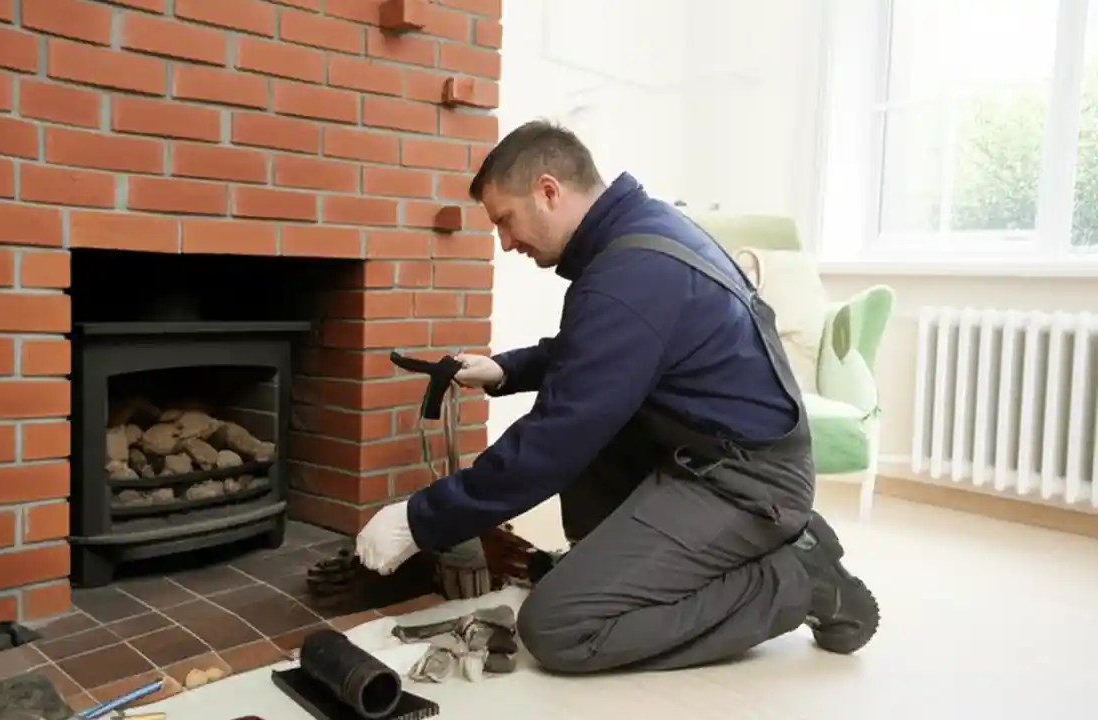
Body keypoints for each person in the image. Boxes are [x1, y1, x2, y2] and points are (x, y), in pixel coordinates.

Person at [354, 119, 880, 674]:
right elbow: (598, 352)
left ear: (548, 191)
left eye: (504, 221)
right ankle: (619, 569)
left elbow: (552, 443)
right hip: (706, 452)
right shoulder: (639, 235)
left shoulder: (629, 273)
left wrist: (419, 520)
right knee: (592, 419)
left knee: (560, 627)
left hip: (746, 484)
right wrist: (503, 371)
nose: (506, 243)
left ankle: (797, 579)